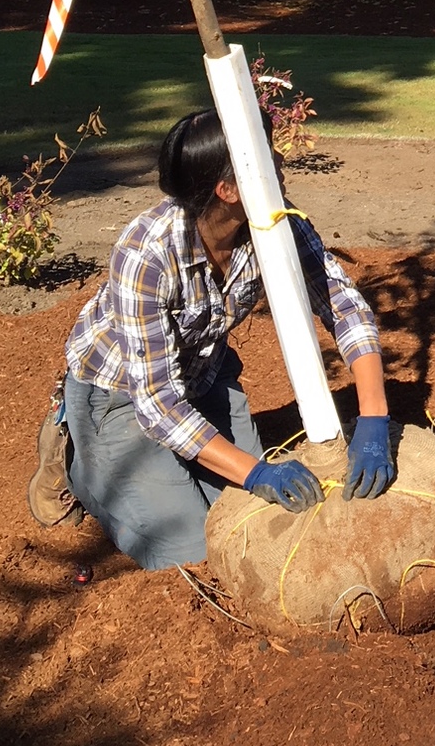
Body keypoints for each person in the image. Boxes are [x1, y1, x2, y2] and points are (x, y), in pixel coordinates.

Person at [27, 109, 396, 570]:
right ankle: (78, 459)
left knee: (253, 523)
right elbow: (157, 402)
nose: (281, 163)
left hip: (202, 377)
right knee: (190, 550)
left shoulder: (275, 223)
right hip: (120, 396)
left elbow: (342, 305)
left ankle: (160, 467)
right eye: (267, 157)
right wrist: (256, 472)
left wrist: (374, 417)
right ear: (228, 190)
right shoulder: (147, 253)